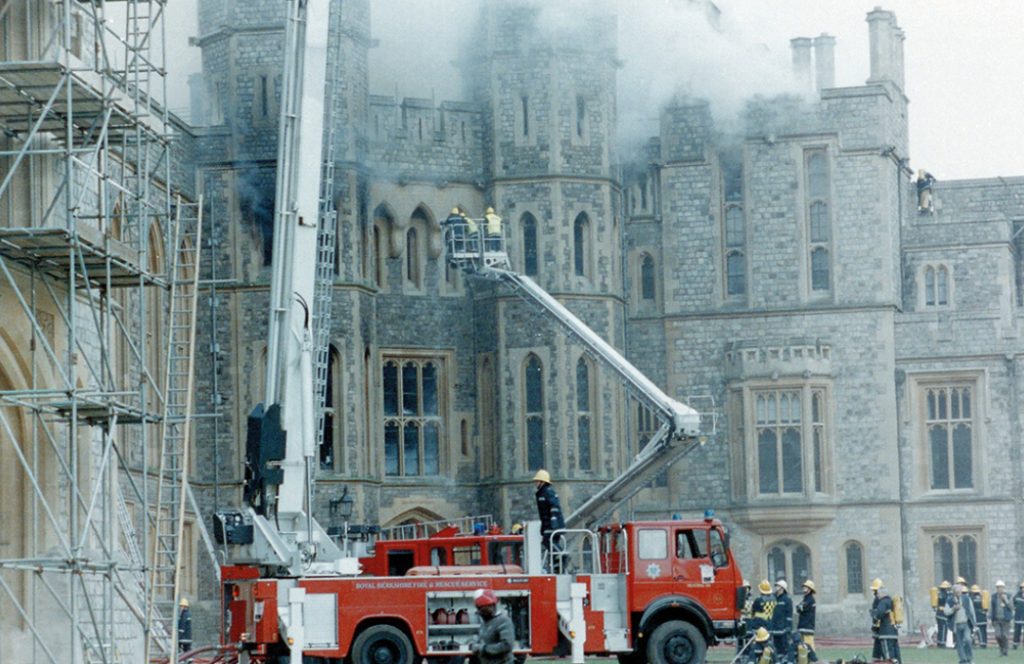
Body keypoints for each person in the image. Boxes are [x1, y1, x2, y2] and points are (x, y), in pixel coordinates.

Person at [468, 588, 515, 664]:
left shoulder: (503, 621)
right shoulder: (485, 623)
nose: (479, 612)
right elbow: (483, 640)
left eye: (481, 609)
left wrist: (483, 649)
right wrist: (474, 644)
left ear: (490, 606)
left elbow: (506, 645)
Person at [533, 469, 565, 570]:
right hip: (549, 525)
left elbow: (554, 507)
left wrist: (553, 523)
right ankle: (557, 566)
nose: (536, 483)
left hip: (552, 525)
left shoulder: (547, 492)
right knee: (550, 546)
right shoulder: (542, 493)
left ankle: (562, 555)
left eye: (537, 481)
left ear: (542, 482)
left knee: (547, 541)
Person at [944, 582, 976, 664]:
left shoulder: (966, 599)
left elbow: (972, 611)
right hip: (956, 624)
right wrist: (953, 609)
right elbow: (946, 612)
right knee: (959, 643)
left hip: (966, 623)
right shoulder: (950, 600)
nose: (958, 593)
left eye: (960, 591)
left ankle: (969, 658)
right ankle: (963, 660)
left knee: (968, 640)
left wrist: (974, 623)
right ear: (954, 592)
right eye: (957, 591)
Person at [871, 578, 900, 663]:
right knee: (895, 656)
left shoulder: (883, 602)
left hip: (885, 633)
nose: (876, 595)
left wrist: (874, 615)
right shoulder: (889, 601)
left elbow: (878, 614)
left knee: (888, 658)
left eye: (876, 592)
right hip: (892, 632)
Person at [770, 579, 793, 663]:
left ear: (782, 588)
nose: (776, 587)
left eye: (778, 586)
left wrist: (788, 627)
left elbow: (789, 615)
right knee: (775, 646)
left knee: (783, 647)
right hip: (774, 627)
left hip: (783, 629)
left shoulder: (787, 599)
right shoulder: (773, 598)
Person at [796, 580, 819, 662]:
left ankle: (813, 660)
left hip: (807, 626)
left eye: (806, 587)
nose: (804, 588)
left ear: (809, 589)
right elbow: (798, 608)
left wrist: (799, 607)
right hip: (803, 626)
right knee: (803, 645)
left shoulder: (810, 599)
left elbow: (800, 607)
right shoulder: (806, 599)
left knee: (809, 645)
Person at [992, 580, 1013, 656]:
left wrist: (1006, 600)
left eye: (1001, 587)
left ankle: (1005, 650)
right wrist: (992, 619)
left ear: (1004, 588)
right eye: (998, 588)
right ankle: (1001, 648)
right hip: (997, 619)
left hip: (1005, 619)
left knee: (1005, 635)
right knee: (997, 635)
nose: (999, 589)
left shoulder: (1009, 596)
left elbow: (1011, 607)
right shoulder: (994, 596)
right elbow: (993, 608)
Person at [936, 580, 951, 647]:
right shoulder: (946, 595)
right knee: (944, 629)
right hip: (943, 614)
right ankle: (942, 642)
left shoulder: (938, 594)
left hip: (938, 613)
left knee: (940, 629)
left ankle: (939, 642)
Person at [972, 584, 988, 648]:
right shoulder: (982, 597)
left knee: (979, 631)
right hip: (983, 617)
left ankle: (981, 643)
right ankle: (984, 643)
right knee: (984, 631)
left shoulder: (972, 598)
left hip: (977, 617)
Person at [1014, 581, 1024, 649]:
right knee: (1017, 631)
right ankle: (1015, 644)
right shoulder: (1017, 596)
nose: (1023, 589)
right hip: (1018, 617)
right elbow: (1014, 603)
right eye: (1022, 588)